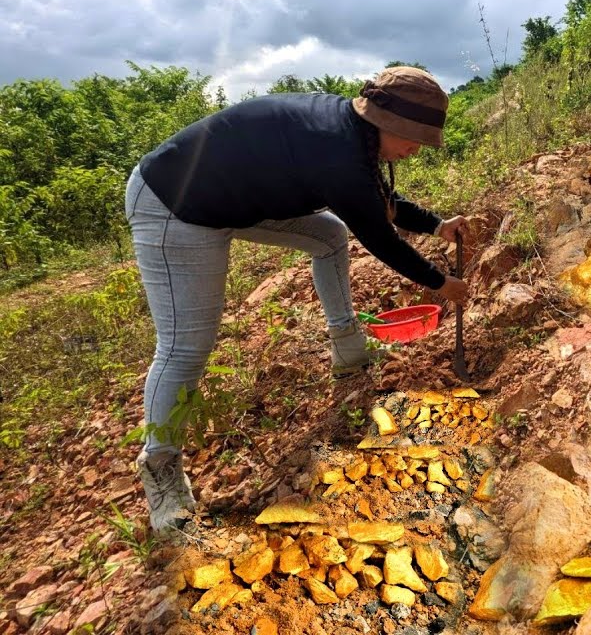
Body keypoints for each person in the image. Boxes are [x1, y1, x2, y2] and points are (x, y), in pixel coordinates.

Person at [123, 66, 469, 531]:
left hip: (232, 198)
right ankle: (161, 468)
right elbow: (380, 237)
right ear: (384, 122)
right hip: (175, 206)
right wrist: (441, 283)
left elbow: (376, 199)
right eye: (414, 138)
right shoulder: (337, 152)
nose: (416, 149)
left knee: (328, 235)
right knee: (185, 347)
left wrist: (436, 224)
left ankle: (348, 350)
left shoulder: (353, 134)